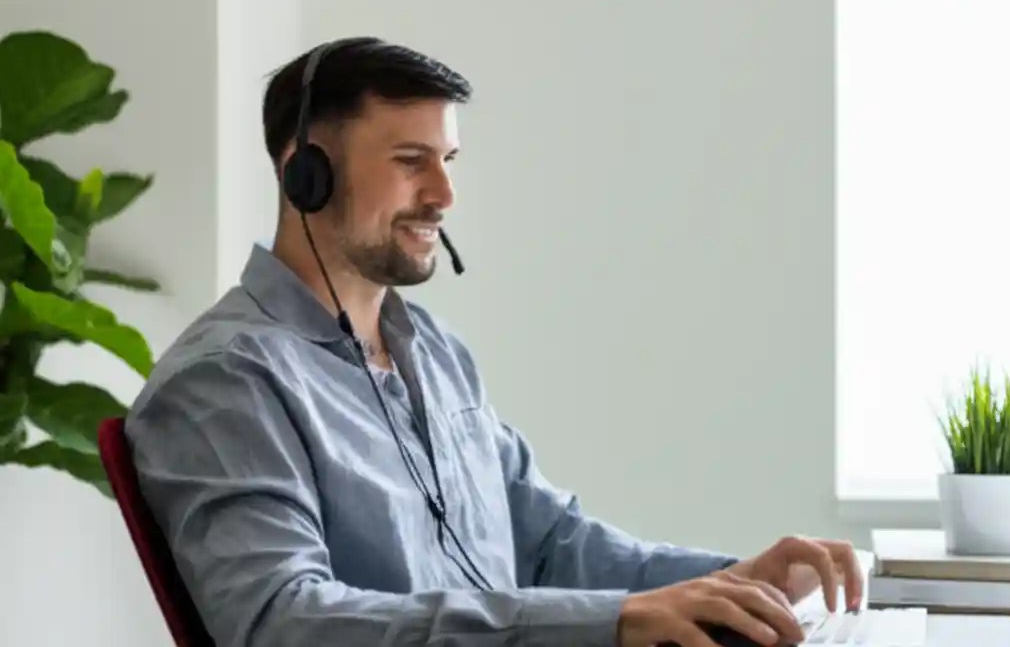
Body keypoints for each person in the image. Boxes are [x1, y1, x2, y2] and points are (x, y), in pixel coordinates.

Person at [126, 37, 862, 647]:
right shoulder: (226, 381)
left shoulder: (435, 355)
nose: (444, 197)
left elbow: (548, 544)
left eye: (448, 162)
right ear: (306, 176)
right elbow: (281, 621)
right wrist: (611, 622)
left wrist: (739, 580)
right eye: (411, 161)